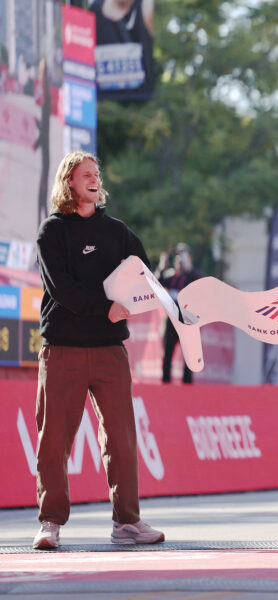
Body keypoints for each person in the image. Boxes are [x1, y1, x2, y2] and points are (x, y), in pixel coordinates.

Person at [32, 151, 165, 550]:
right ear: (69, 182)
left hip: (109, 350)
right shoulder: (52, 231)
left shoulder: (118, 232)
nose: (94, 179)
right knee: (54, 440)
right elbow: (62, 289)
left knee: (122, 439)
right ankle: (50, 522)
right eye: (85, 174)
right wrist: (106, 307)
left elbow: (145, 274)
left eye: (96, 173)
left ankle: (127, 523)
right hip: (63, 348)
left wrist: (144, 298)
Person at [156, 243, 203, 384]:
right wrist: (162, 266)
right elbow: (156, 282)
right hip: (172, 320)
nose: (179, 261)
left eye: (183, 256)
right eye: (177, 257)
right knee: (167, 352)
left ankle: (187, 385)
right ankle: (166, 383)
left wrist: (189, 267)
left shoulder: (194, 275)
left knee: (189, 354)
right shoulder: (171, 276)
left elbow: (202, 283)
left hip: (188, 320)